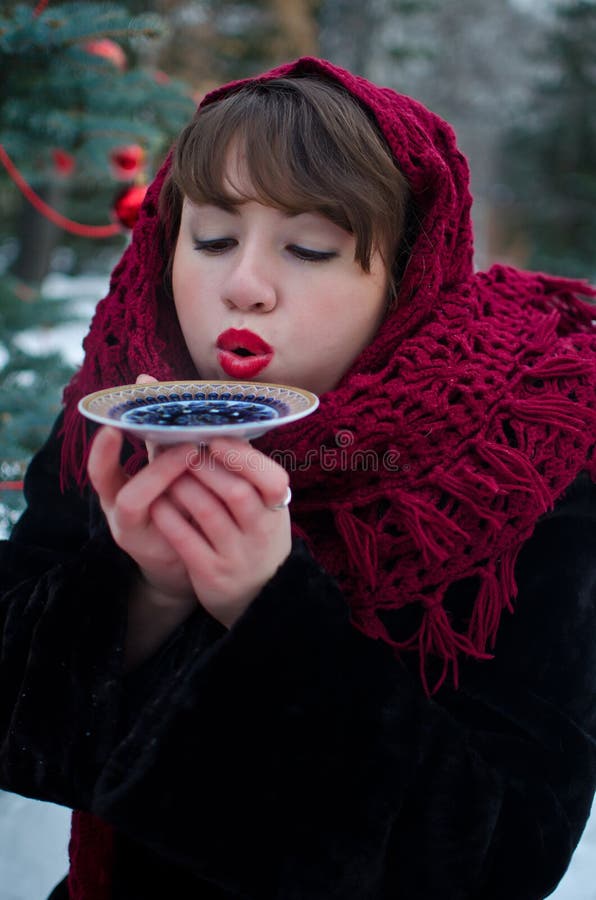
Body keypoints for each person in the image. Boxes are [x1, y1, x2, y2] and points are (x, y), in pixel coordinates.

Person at [1, 56, 596, 900]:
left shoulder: (521, 465)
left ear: (404, 281)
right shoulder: (116, 416)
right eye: (210, 239)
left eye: (310, 246)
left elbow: (502, 857)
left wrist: (269, 607)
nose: (243, 285)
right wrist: (146, 597)